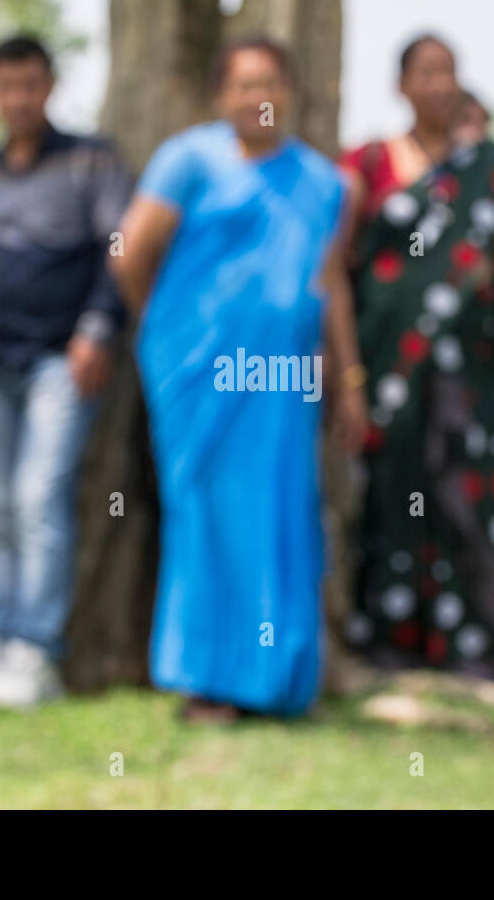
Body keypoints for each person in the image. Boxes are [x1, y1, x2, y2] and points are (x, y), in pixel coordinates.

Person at [110, 35, 367, 722]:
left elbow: (331, 282)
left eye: (271, 83)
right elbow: (131, 254)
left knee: (278, 513)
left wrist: (350, 379)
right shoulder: (187, 160)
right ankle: (205, 680)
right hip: (196, 376)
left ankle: (278, 679)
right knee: (204, 516)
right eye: (244, 85)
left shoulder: (323, 181)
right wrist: (173, 334)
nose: (259, 97)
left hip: (285, 382)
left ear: (292, 91)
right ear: (221, 96)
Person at [337, 35, 494, 682]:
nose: (438, 84)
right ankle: (396, 642)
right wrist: (346, 375)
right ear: (401, 85)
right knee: (395, 493)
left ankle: (489, 648)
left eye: (448, 72)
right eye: (425, 72)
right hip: (390, 369)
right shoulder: (367, 165)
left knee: (475, 493)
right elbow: (335, 272)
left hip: (474, 367)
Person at [0, 35, 131, 708]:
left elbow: (120, 249)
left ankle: (36, 649)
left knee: (38, 498)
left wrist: (98, 330)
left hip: (63, 360)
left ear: (49, 86)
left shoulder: (91, 159)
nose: (18, 98)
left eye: (30, 84)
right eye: (6, 86)